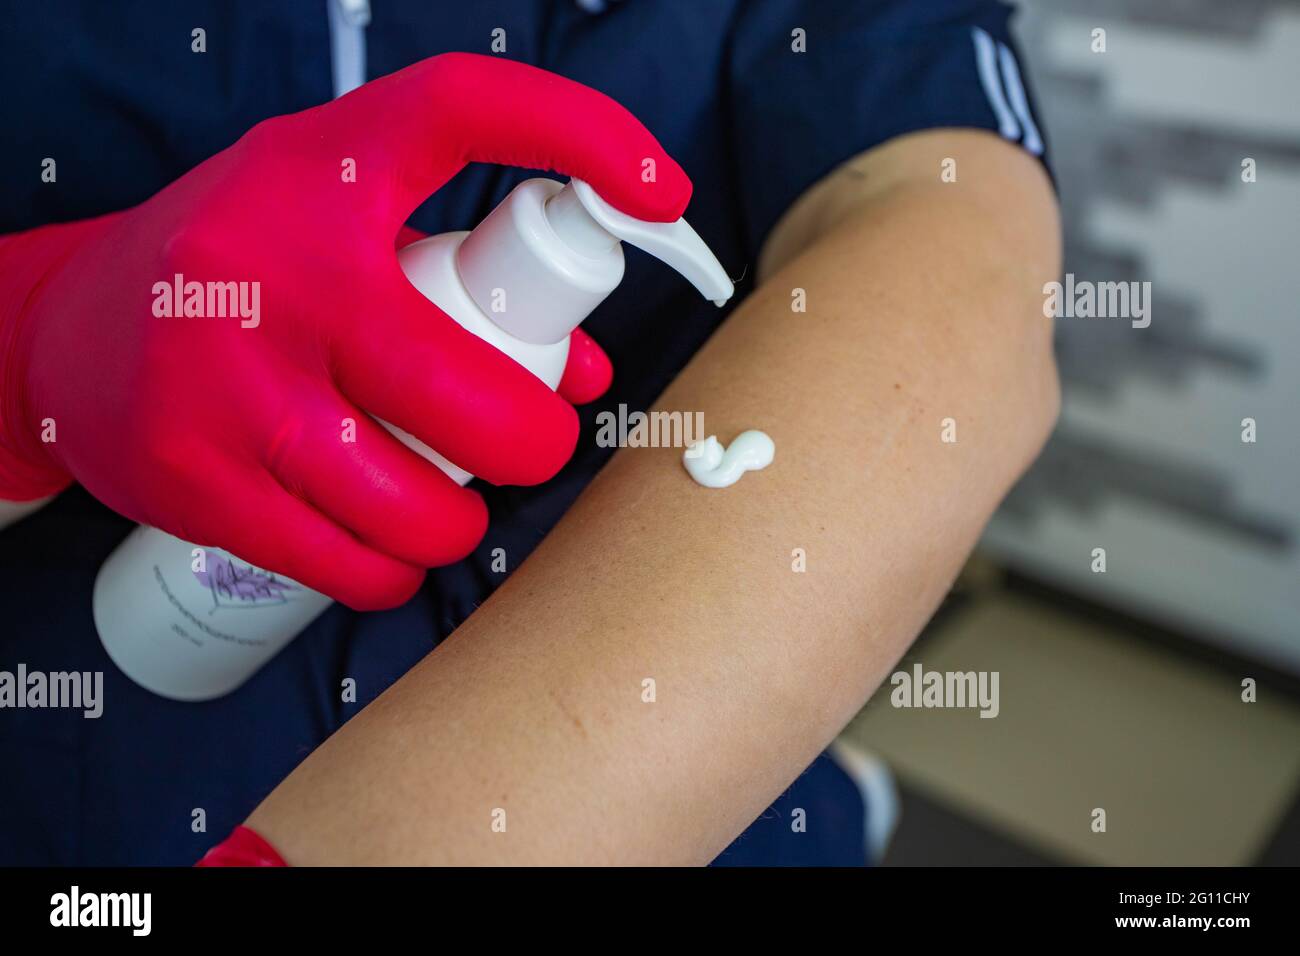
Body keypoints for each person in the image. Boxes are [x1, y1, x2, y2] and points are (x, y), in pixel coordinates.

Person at [0, 0, 1058, 865]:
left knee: (788, 818)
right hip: (82, 724)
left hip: (613, 701)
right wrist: (28, 352)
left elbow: (953, 252)